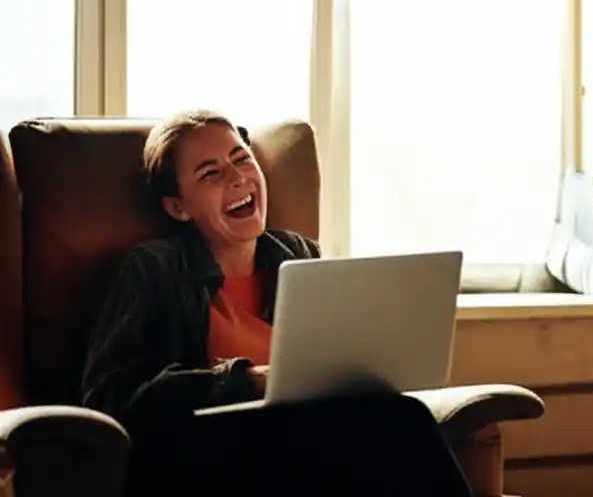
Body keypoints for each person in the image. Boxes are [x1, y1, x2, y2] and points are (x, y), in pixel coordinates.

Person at [80, 110, 473, 496]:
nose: (237, 178)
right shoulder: (152, 270)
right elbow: (111, 394)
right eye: (211, 173)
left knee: (402, 417)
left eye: (241, 159)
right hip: (212, 456)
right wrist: (245, 380)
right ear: (178, 207)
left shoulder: (299, 254)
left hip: (313, 442)